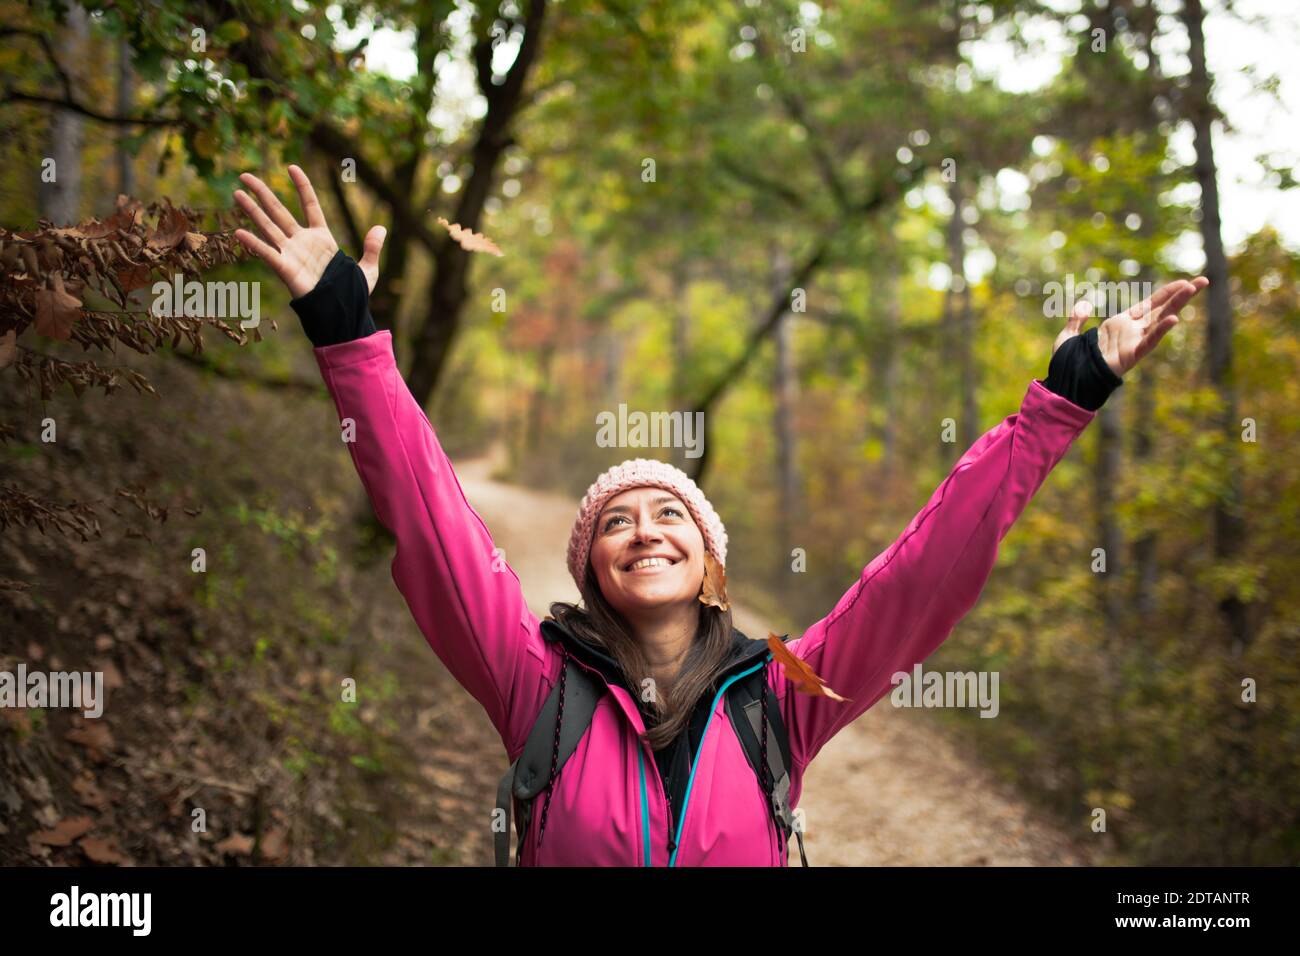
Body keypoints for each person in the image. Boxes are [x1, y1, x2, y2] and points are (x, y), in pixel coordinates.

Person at [233, 164, 1208, 866]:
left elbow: (921, 574)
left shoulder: (780, 699)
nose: (645, 528)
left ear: (707, 562)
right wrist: (350, 338)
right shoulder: (537, 685)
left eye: (670, 514)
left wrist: (1059, 404)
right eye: (616, 521)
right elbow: (432, 522)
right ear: (592, 570)